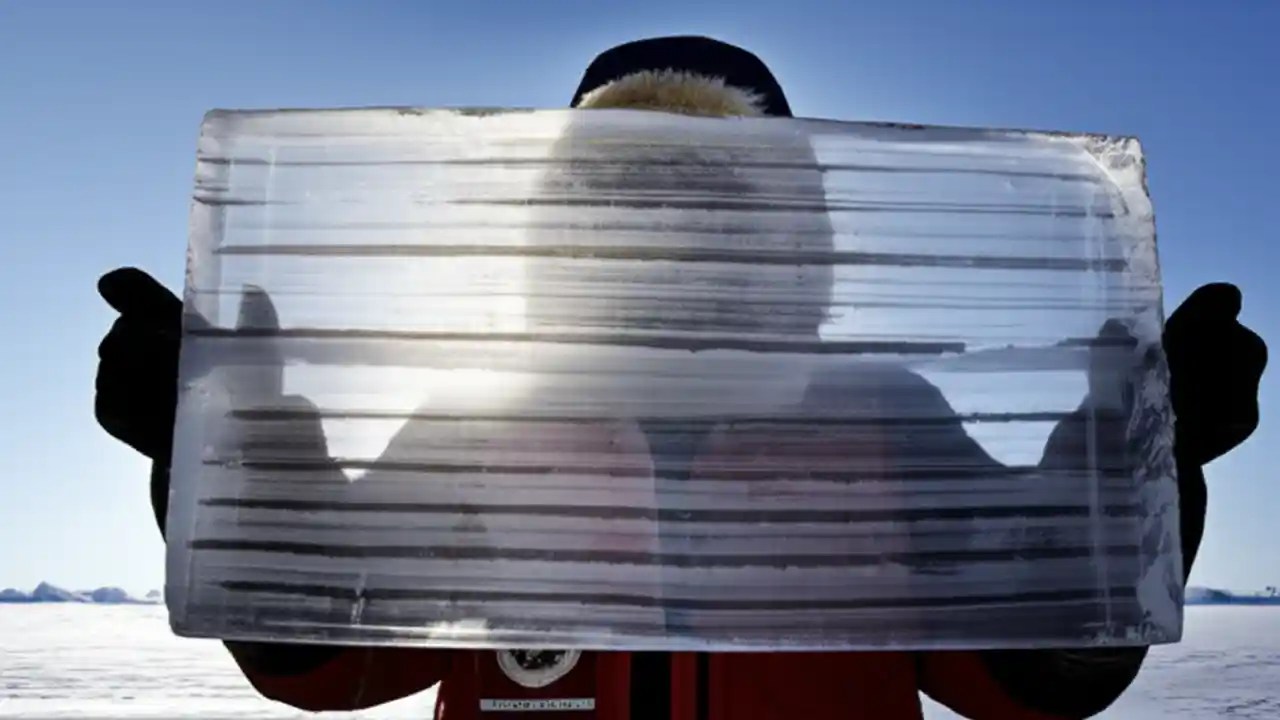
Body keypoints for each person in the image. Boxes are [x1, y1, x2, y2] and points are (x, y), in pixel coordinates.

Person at [94, 36, 1266, 720]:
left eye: (709, 196)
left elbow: (1025, 677)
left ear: (788, 234)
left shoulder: (878, 419)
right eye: (623, 196)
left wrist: (1130, 477)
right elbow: (326, 662)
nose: (666, 233)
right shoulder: (475, 427)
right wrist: (222, 461)